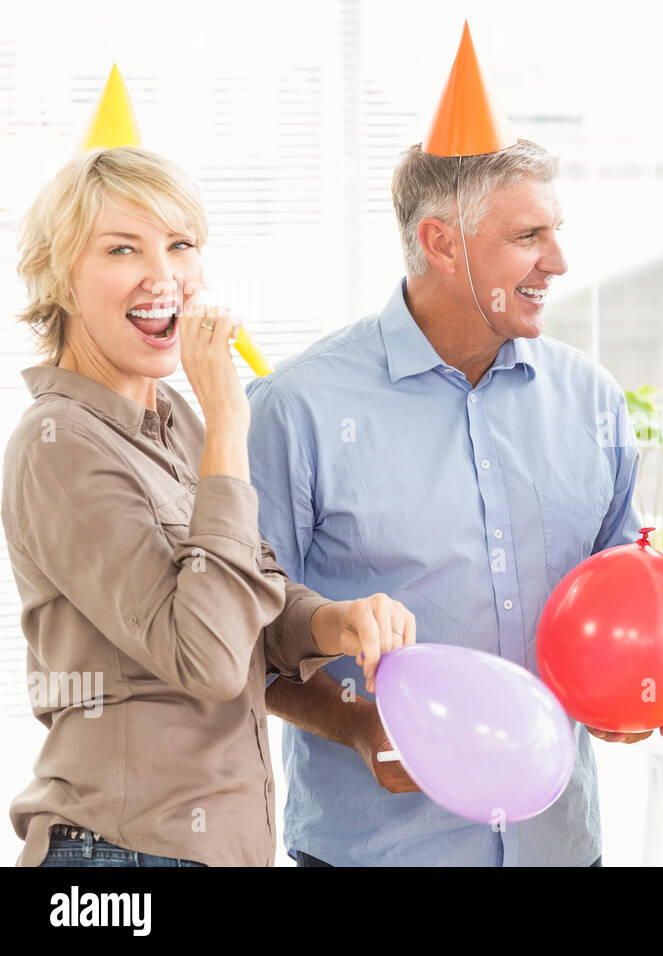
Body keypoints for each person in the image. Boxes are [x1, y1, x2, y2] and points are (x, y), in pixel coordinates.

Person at [247, 135, 654, 867]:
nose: (557, 261)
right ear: (440, 242)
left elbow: (623, 590)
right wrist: (360, 726)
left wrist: (624, 695)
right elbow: (246, 641)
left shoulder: (590, 398)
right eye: (529, 235)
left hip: (558, 843)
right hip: (379, 850)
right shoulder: (296, 407)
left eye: (555, 232)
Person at [4, 146, 415, 867]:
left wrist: (333, 622)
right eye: (121, 248)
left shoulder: (178, 423)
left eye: (180, 245)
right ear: (61, 280)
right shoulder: (58, 443)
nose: (163, 276)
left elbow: (237, 602)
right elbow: (210, 659)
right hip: (119, 858)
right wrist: (230, 419)